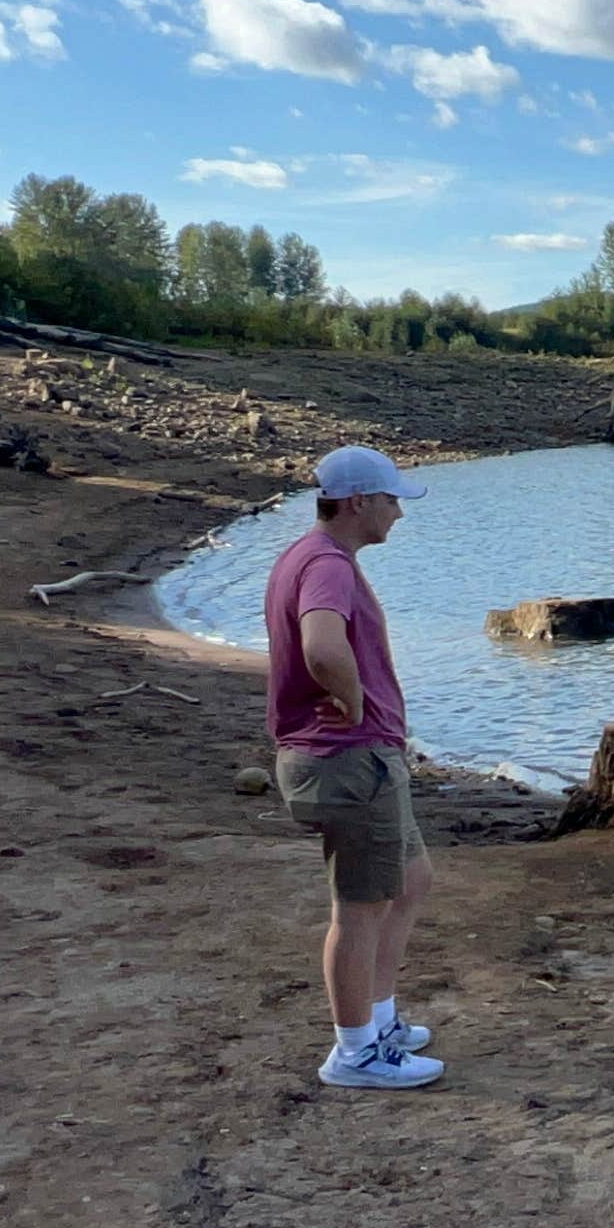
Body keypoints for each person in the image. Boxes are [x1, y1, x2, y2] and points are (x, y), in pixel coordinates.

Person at [265, 444, 442, 1089]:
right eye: (391, 499)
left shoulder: (311, 555)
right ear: (359, 502)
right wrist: (356, 701)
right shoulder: (327, 565)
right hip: (347, 760)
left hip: (351, 758)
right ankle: (356, 1052)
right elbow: (321, 645)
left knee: (411, 880)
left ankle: (380, 1019)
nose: (399, 512)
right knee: (360, 907)